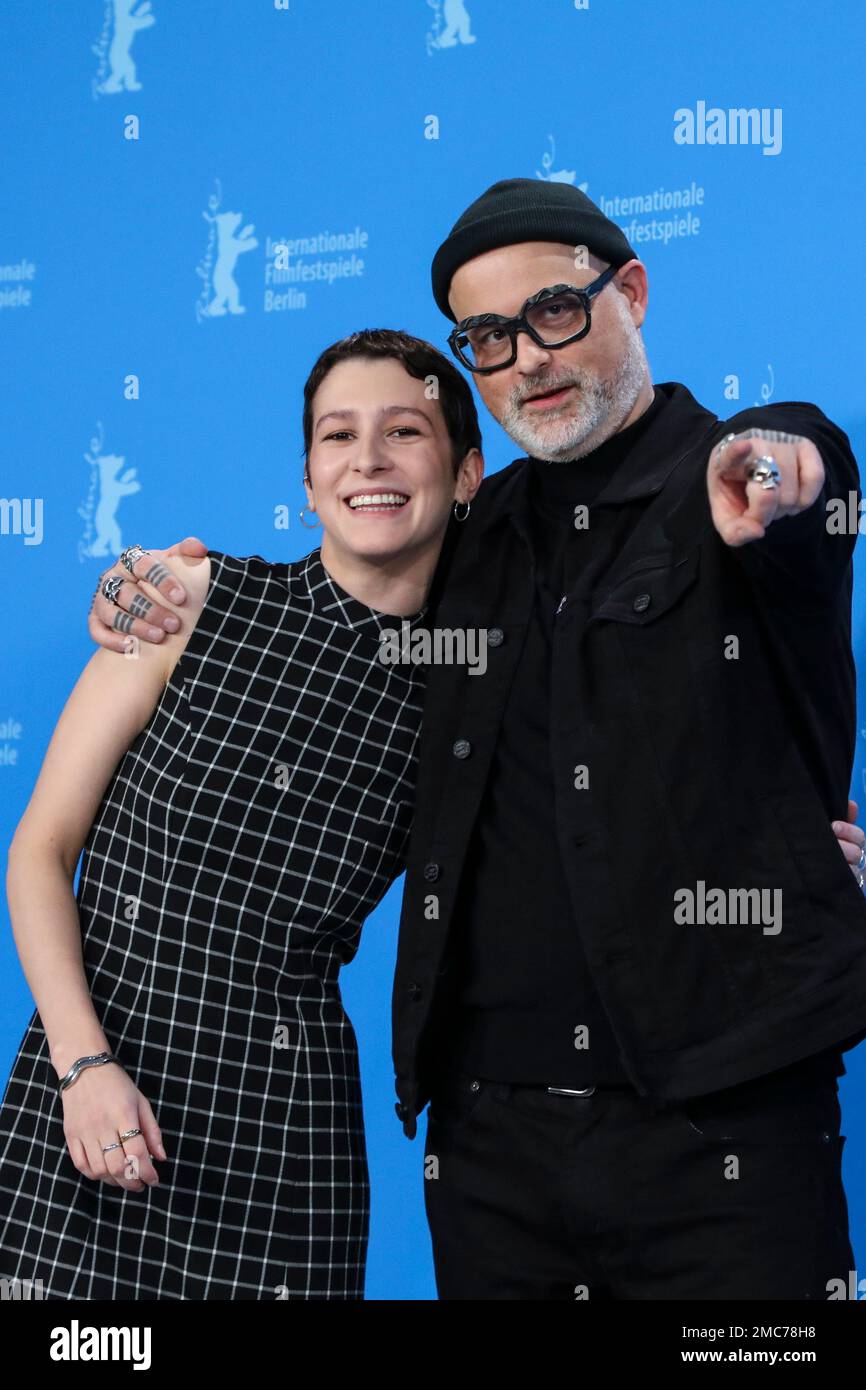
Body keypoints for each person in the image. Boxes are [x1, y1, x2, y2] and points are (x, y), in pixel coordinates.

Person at [82, 184, 866, 1302]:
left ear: (628, 292)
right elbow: (340, 576)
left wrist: (786, 469)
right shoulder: (467, 543)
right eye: (487, 338)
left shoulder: (732, 489)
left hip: (720, 1123)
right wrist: (154, 587)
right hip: (488, 1148)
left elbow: (805, 464)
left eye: (553, 310)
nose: (526, 360)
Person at [0, 329, 483, 1300]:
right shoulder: (186, 600)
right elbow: (41, 851)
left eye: (404, 430)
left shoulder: (473, 690)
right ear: (307, 479)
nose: (369, 460)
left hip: (282, 1134)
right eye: (338, 435)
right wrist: (83, 1064)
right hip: (91, 1083)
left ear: (466, 473)